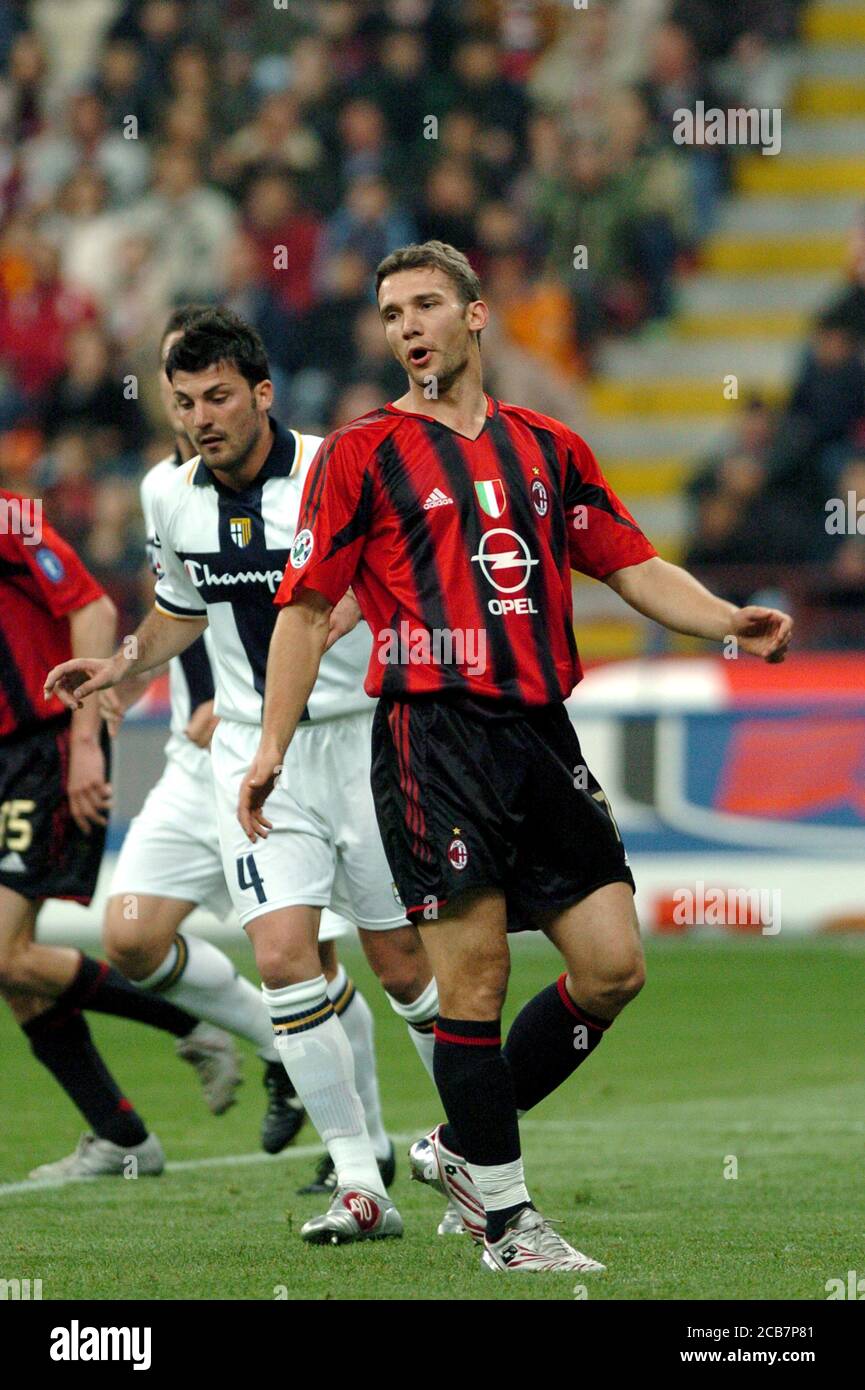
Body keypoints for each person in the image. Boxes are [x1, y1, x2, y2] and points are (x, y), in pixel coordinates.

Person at [235, 240, 793, 1274]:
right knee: (476, 976)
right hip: (431, 737)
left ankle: (459, 1144)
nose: (407, 326)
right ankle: (507, 1220)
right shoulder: (362, 455)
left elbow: (628, 562)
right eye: (392, 311)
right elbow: (308, 614)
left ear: (475, 316)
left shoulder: (547, 446)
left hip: (541, 732)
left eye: (426, 305)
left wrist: (726, 621)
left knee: (613, 965)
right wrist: (270, 745)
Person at [45, 308, 443, 1246]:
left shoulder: (332, 471)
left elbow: (392, 577)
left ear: (262, 394)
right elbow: (179, 610)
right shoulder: (166, 494)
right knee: (279, 959)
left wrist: (352, 608)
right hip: (250, 759)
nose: (200, 417)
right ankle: (359, 1180)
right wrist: (124, 666)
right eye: (183, 402)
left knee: (400, 967)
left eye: (218, 396)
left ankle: (479, 1149)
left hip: (360, 740)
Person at [0, 491, 235, 1181]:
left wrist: (82, 740)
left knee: (4, 951)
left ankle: (191, 1024)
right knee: (15, 973)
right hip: (10, 757)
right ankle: (122, 1136)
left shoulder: (9, 515)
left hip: (42, 748)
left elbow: (95, 609)